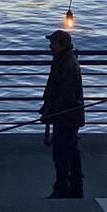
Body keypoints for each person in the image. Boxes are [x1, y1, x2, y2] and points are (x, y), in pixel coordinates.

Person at [42, 29, 85, 198]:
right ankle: (75, 186)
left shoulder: (66, 64)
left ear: (61, 45)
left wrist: (50, 112)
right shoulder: (64, 60)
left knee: (61, 153)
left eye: (53, 43)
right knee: (70, 150)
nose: (50, 46)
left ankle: (62, 188)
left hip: (66, 116)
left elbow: (65, 95)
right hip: (68, 116)